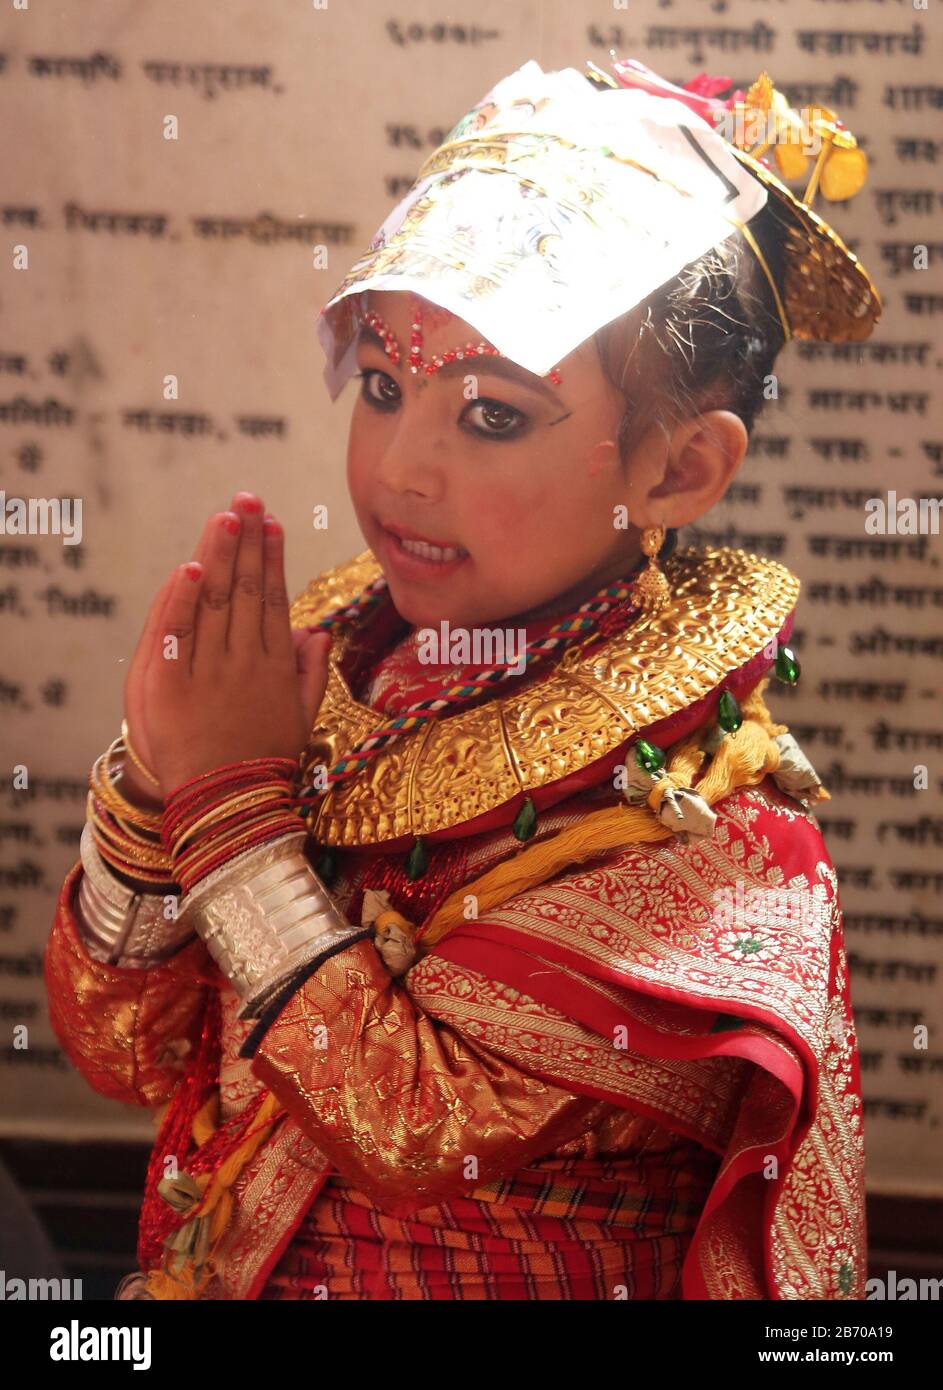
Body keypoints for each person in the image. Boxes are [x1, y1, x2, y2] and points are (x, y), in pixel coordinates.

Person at [44, 57, 881, 1300]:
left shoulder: (703, 824)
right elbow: (122, 1046)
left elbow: (410, 1125)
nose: (400, 469)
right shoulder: (339, 675)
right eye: (383, 387)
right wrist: (155, 777)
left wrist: (224, 806)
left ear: (679, 470)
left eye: (491, 415)